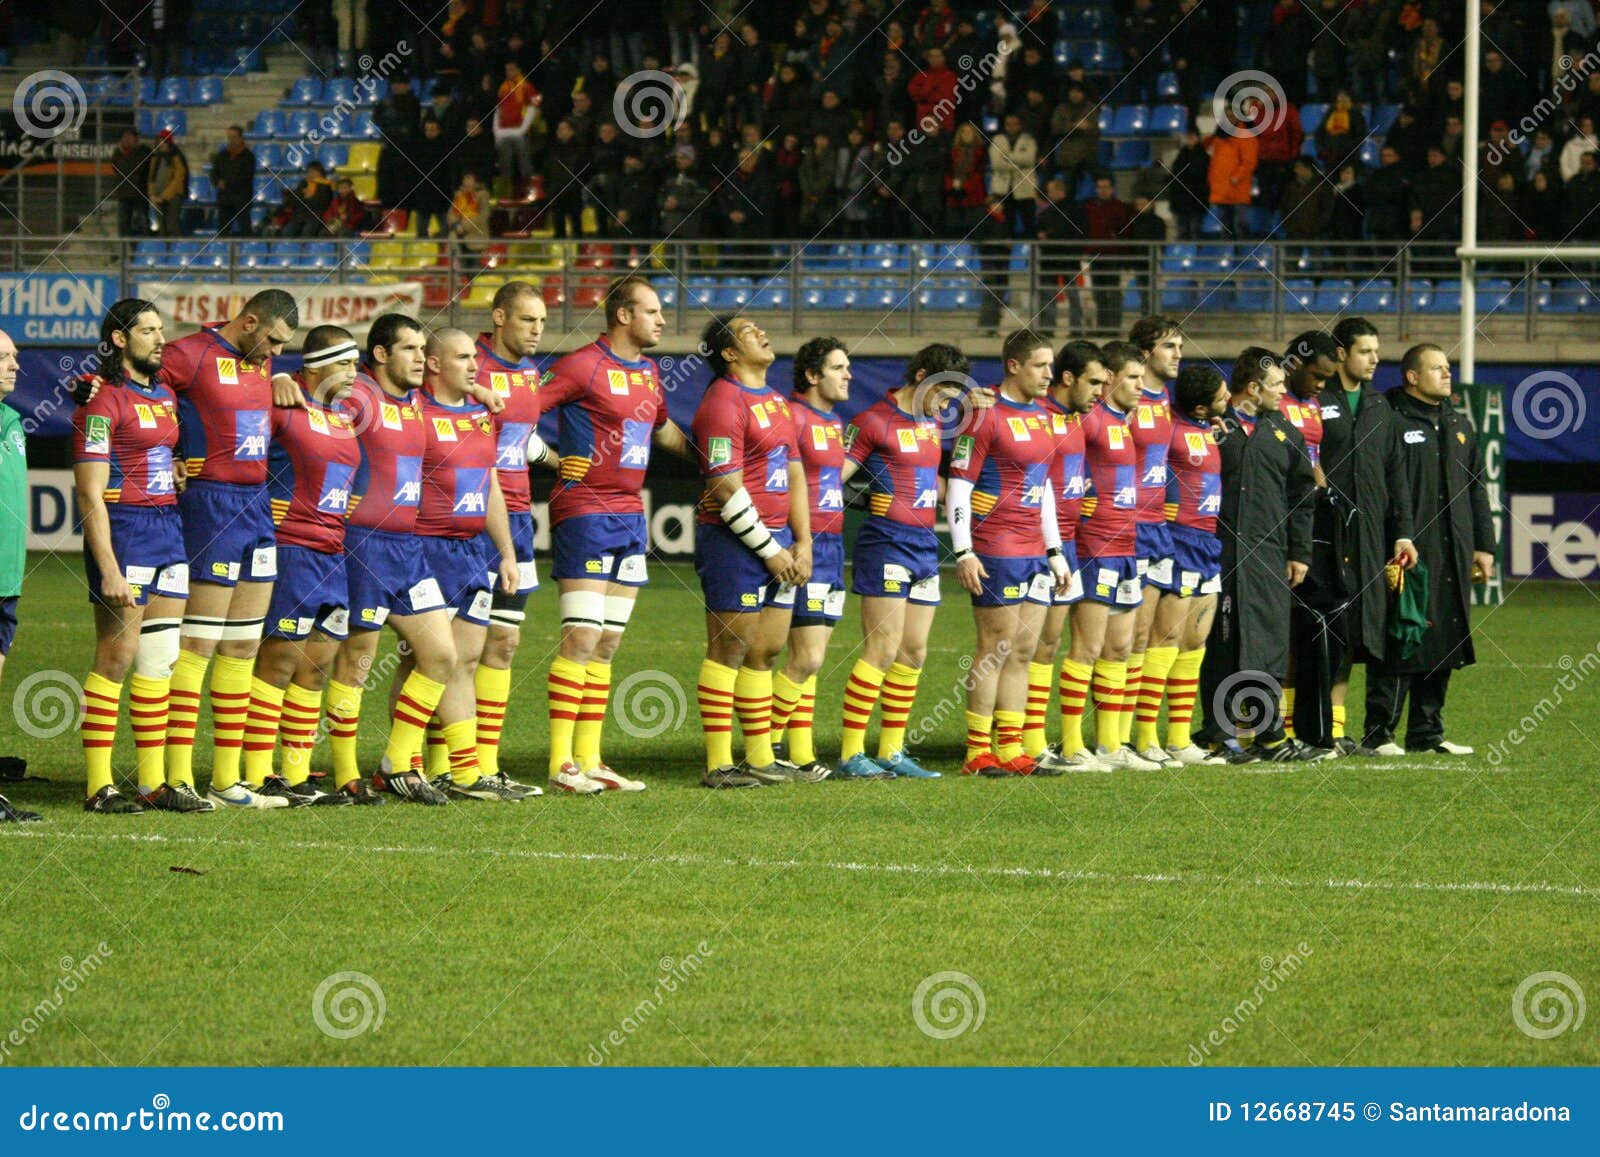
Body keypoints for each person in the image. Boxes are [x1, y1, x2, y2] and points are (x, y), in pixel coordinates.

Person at [539, 276, 697, 793]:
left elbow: (663, 431)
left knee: (606, 644)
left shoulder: (650, 373)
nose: (662, 320)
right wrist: (548, 458)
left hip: (630, 516)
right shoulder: (581, 365)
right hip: (584, 512)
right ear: (624, 315)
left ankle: (591, 759)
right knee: (581, 638)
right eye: (652, 311)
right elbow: (517, 415)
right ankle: (561, 763)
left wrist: (711, 464)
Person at [317, 314, 466, 804]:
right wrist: (282, 378)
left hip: (408, 548)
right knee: (356, 663)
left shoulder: (417, 402)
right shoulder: (359, 396)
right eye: (410, 349)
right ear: (380, 355)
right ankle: (345, 776)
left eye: (425, 349)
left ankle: (395, 764)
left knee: (441, 656)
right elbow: (315, 397)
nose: (422, 358)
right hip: (362, 544)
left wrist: (483, 395)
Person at [161, 290, 298, 807]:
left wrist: (280, 376)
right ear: (249, 321)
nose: (277, 353)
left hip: (256, 504)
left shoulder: (265, 366)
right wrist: (171, 450)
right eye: (273, 341)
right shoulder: (190, 354)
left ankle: (226, 781)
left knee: (242, 646)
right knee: (198, 645)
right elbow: (137, 389)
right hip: (210, 505)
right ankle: (176, 778)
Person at [72, 300, 204, 813]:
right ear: (121, 340)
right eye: (147, 330)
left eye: (161, 329)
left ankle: (153, 783)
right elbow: (89, 492)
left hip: (169, 529)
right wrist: (107, 567)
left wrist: (169, 468)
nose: (159, 338)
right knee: (117, 655)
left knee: (160, 659)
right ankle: (99, 787)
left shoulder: (165, 393)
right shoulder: (100, 400)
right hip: (125, 531)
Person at [834, 344, 970, 780]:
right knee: (883, 648)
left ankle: (891, 750)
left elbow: (930, 480)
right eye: (945, 392)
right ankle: (851, 754)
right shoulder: (873, 421)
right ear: (923, 375)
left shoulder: (930, 424)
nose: (948, 405)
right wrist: (864, 500)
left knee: (913, 652)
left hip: (925, 545)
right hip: (885, 543)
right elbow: (832, 475)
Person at [243, 326, 366, 805]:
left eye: (357, 364)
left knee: (317, 666)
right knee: (278, 663)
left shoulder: (344, 416)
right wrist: (269, 379)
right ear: (315, 367)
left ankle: (296, 776)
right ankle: (256, 773)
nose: (355, 374)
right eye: (345, 364)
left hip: (333, 555)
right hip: (292, 550)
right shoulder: (283, 404)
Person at [401, 328, 522, 801]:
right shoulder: (413, 411)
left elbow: (489, 483)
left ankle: (464, 770)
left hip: (471, 550)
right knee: (419, 659)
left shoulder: (480, 415)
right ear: (433, 364)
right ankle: (407, 765)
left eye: (476, 357)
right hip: (423, 548)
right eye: (463, 358)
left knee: (467, 661)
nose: (475, 366)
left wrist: (506, 552)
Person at [691, 316, 811, 789]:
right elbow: (724, 486)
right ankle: (719, 764)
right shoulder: (722, 401)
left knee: (767, 650)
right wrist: (770, 550)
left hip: (780, 543)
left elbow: (795, 473)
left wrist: (802, 543)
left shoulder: (778, 402)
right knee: (730, 647)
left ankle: (760, 758)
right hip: (734, 544)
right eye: (747, 330)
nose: (762, 331)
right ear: (728, 353)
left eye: (761, 325)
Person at [948, 330, 1072, 777]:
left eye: (1051, 366)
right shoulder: (982, 413)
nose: (1050, 375)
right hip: (997, 547)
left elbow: (1046, 490)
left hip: (1035, 549)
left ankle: (1011, 749)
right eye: (1041, 365)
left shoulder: (1044, 416)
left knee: (1023, 651)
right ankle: (978, 752)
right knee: (995, 648)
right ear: (1015, 365)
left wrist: (1055, 550)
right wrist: (963, 550)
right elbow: (959, 486)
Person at [1363, 345, 1494, 756]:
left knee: (1446, 635)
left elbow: (1476, 488)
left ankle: (1426, 732)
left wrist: (1484, 546)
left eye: (1448, 368)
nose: (1447, 374)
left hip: (1453, 549)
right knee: (1402, 633)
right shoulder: (1388, 418)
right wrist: (1394, 536)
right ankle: (1379, 732)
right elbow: (1382, 485)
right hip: (1407, 550)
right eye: (1437, 368)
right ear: (1412, 377)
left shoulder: (1458, 423)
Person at [1194, 349, 1317, 763]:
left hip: (1268, 554)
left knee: (1267, 643)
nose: (1284, 391)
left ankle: (1268, 736)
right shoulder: (1213, 429)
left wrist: (1299, 551)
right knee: (1221, 644)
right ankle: (1217, 733)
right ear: (1252, 389)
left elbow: (1303, 497)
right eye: (1277, 385)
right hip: (1218, 552)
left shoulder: (1286, 432)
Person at [1310, 317, 1418, 755]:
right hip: (1323, 536)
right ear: (1340, 353)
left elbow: (1397, 477)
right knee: (1321, 631)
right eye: (1365, 351)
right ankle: (1303, 726)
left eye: (1376, 351)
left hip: (1370, 539)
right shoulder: (1317, 401)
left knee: (1354, 633)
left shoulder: (1379, 408)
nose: (1375, 359)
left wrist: (1404, 534)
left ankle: (1336, 730)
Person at [1058, 340, 1158, 770]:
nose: (1142, 386)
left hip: (1126, 545)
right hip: (1094, 546)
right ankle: (1070, 744)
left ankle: (1111, 746)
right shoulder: (1089, 419)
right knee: (1088, 646)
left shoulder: (1123, 421)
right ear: (1112, 379)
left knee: (1119, 648)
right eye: (1134, 378)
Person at [471, 283, 553, 787]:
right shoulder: (469, 366)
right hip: (470, 518)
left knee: (503, 642)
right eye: (528, 321)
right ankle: (428, 762)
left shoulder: (529, 374)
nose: (537, 331)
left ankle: (484, 764)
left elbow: (518, 440)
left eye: (542, 322)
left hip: (517, 517)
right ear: (500, 317)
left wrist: (551, 460)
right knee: (451, 647)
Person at [769, 337, 851, 783]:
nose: (848, 375)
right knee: (808, 658)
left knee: (812, 659)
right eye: (839, 367)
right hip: (806, 547)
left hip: (832, 548)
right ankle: (767, 745)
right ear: (813, 376)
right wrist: (795, 541)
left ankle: (800, 754)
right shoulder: (791, 416)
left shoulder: (834, 422)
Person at [1024, 340, 1108, 773]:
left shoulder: (1081, 419)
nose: (1100, 391)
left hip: (1071, 541)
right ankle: (1031, 741)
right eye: (1093, 381)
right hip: (1036, 542)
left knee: (1054, 644)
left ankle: (1067, 744)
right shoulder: (1037, 415)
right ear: (1068, 378)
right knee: (1039, 646)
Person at [1142, 364, 1229, 765]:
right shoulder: (1170, 431)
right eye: (1222, 394)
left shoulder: (1205, 428)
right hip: (1178, 540)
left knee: (1195, 643)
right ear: (1199, 403)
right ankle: (1146, 739)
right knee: (1165, 640)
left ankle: (1178, 739)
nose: (1228, 400)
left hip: (1207, 543)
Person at [1119, 316, 1185, 769]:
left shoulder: (1165, 401)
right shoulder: (1125, 398)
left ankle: (1141, 739)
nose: (1177, 354)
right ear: (1144, 354)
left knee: (1154, 636)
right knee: (1125, 638)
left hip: (1160, 528)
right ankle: (1116, 741)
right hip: (1126, 528)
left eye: (1180, 346)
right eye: (1168, 346)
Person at [0, 329, 39, 819]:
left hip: (8, 577)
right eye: (3, 358)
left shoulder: (11, 419)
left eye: (15, 357)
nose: (14, 365)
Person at [211, 125, 256, 237]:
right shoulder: (222, 155)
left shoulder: (248, 156)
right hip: (224, 198)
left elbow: (246, 177)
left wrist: (226, 183)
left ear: (241, 138)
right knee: (223, 231)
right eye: (229, 137)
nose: (231, 140)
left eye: (234, 137)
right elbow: (214, 172)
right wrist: (217, 182)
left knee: (245, 230)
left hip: (241, 198)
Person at [147, 129, 189, 237]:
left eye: (163, 142)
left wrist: (164, 196)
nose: (161, 145)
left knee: (172, 226)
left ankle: (175, 251)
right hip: (158, 197)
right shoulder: (155, 158)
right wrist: (152, 194)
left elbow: (178, 179)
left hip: (173, 197)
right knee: (162, 228)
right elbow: (151, 178)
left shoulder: (177, 157)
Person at [112, 129, 151, 238]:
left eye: (130, 137)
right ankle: (125, 251)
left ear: (136, 139)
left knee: (142, 223)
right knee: (123, 225)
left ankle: (145, 250)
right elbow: (117, 169)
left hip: (140, 194)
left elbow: (136, 170)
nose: (127, 140)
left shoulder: (143, 152)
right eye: (125, 137)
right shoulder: (117, 153)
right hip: (123, 195)